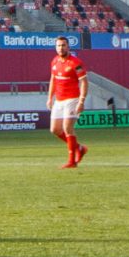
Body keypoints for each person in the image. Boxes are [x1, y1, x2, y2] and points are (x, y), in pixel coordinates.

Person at [47, 37, 88, 168]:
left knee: (67, 128)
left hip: (72, 99)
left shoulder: (75, 63)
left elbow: (84, 82)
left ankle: (72, 161)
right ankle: (79, 148)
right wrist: (49, 98)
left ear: (68, 47)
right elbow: (53, 79)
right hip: (59, 100)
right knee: (54, 129)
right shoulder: (54, 61)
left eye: (63, 45)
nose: (61, 48)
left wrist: (81, 101)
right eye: (58, 46)